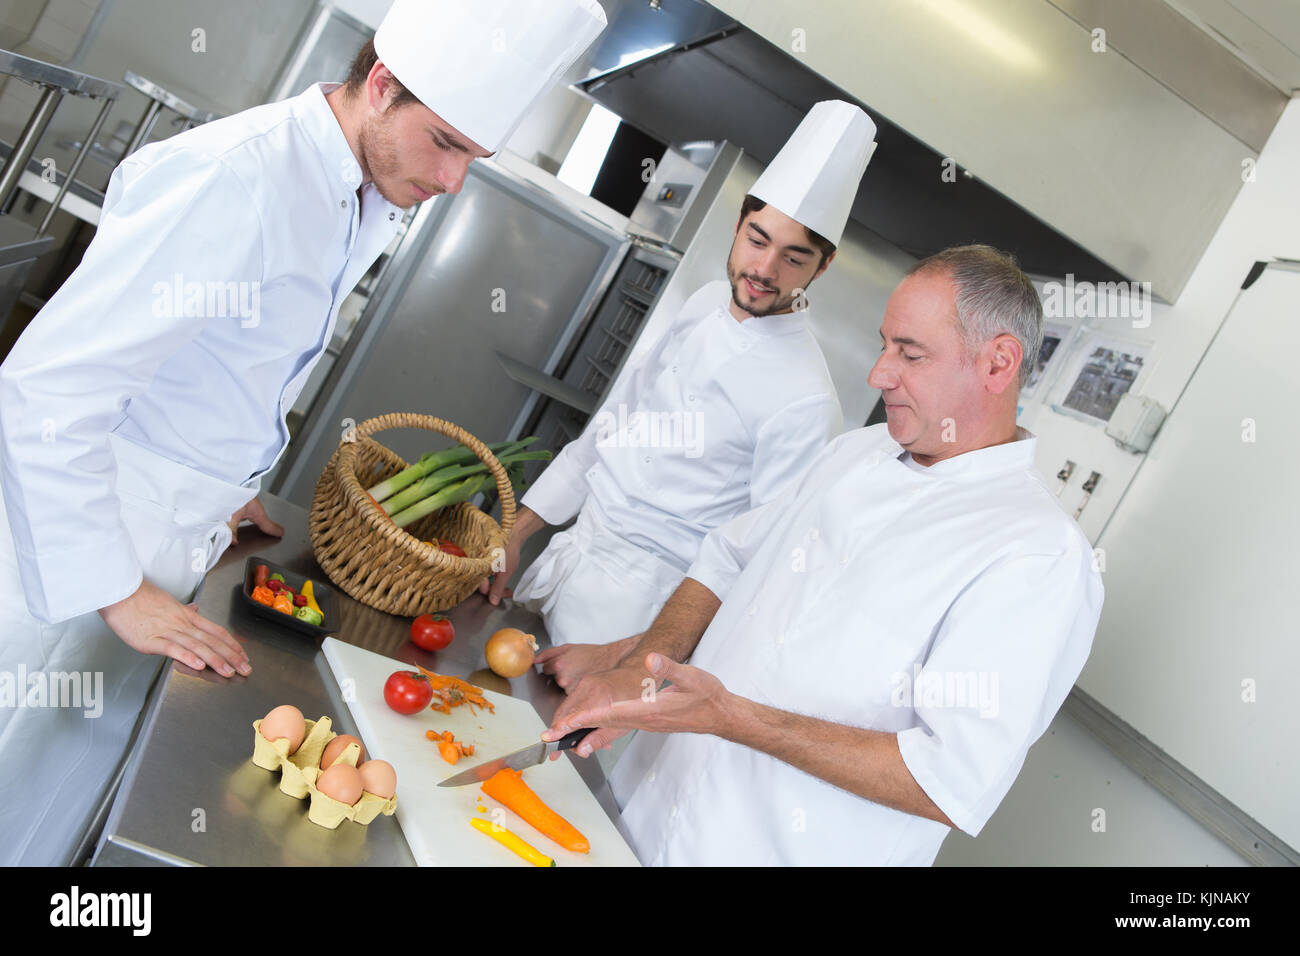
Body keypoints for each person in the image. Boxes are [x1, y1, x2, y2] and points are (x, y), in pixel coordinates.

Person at [0, 0, 606, 866]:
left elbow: (225, 354)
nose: (453, 182)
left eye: (474, 156)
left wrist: (220, 481)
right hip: (65, 558)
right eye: (446, 142)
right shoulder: (240, 178)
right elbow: (48, 389)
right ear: (383, 86)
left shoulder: (350, 190)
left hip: (164, 537)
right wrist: (112, 588)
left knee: (51, 816)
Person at [543, 245, 1105, 866]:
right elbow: (729, 558)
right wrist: (647, 665)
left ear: (999, 362)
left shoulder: (1036, 554)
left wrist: (732, 718)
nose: (879, 374)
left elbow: (947, 779)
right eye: (885, 344)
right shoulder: (857, 453)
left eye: (910, 353)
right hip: (635, 816)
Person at [481, 101, 878, 672]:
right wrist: (521, 529)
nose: (764, 270)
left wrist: (629, 655)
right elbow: (616, 423)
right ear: (739, 225)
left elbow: (755, 562)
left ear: (824, 265)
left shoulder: (807, 400)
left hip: (641, 617)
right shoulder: (706, 303)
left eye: (794, 258)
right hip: (570, 557)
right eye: (757, 239)